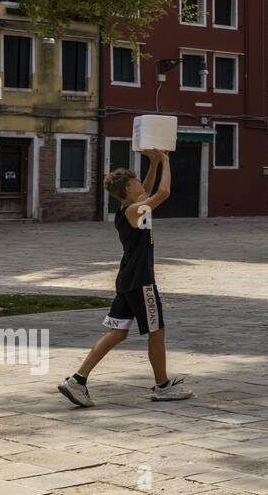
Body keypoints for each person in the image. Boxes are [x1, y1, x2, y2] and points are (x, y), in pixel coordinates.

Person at [58, 150, 192, 407]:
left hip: (126, 280)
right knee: (156, 331)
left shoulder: (126, 208)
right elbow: (162, 193)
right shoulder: (134, 211)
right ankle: (162, 386)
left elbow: (148, 190)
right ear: (129, 188)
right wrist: (165, 161)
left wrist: (152, 162)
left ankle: (77, 380)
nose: (142, 183)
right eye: (137, 181)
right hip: (141, 282)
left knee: (116, 333)